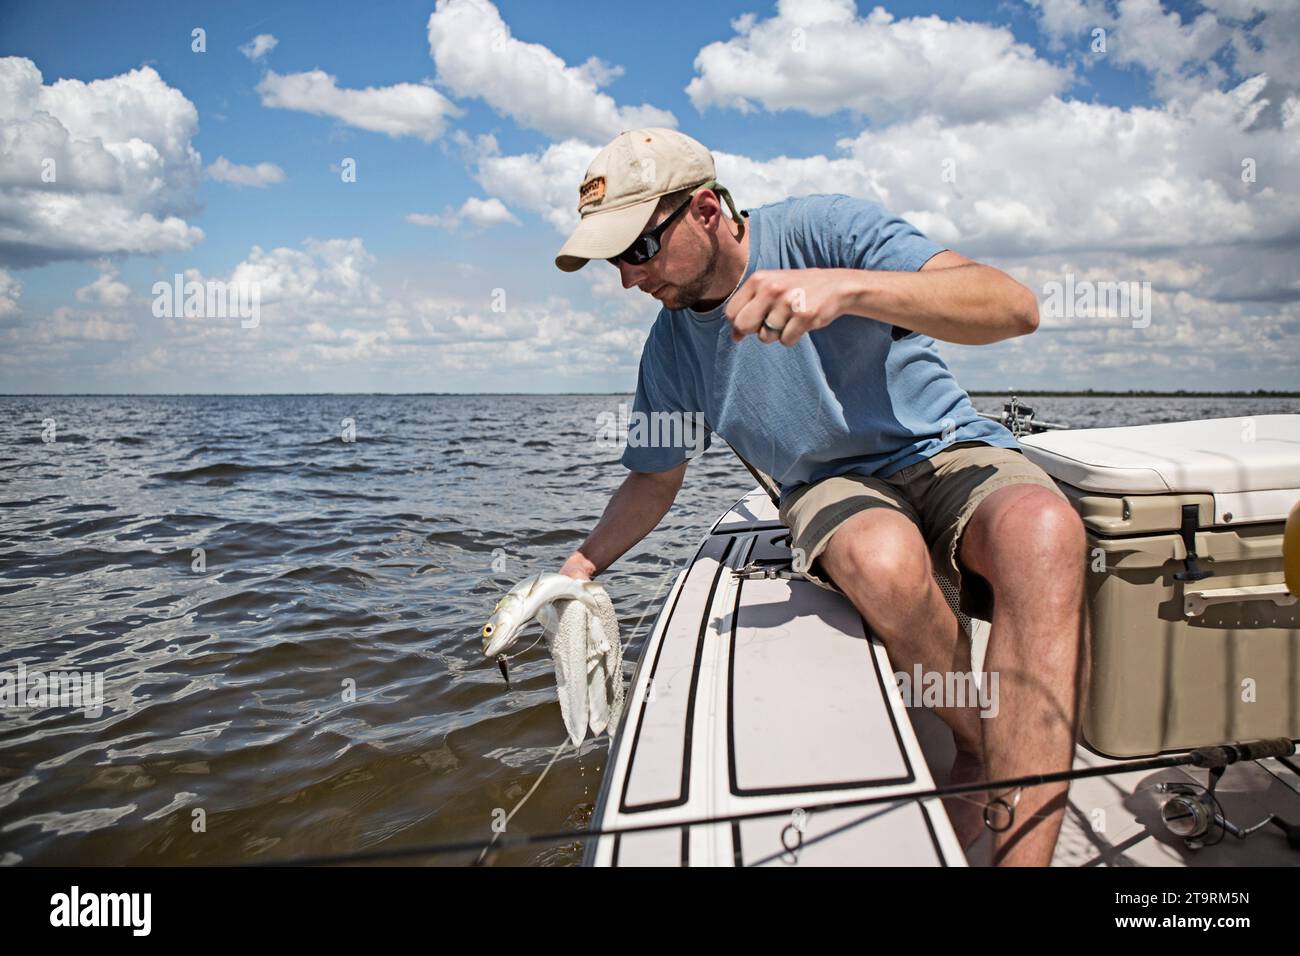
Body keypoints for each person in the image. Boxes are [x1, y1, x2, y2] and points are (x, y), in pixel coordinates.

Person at [553, 127, 1089, 867]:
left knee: (1045, 530)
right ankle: (973, 742)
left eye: (638, 250)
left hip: (945, 445)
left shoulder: (826, 228)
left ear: (706, 210)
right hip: (830, 487)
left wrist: (848, 287)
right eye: (614, 261)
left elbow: (1013, 307)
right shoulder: (673, 345)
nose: (628, 279)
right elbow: (654, 477)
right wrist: (578, 569)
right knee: (883, 559)